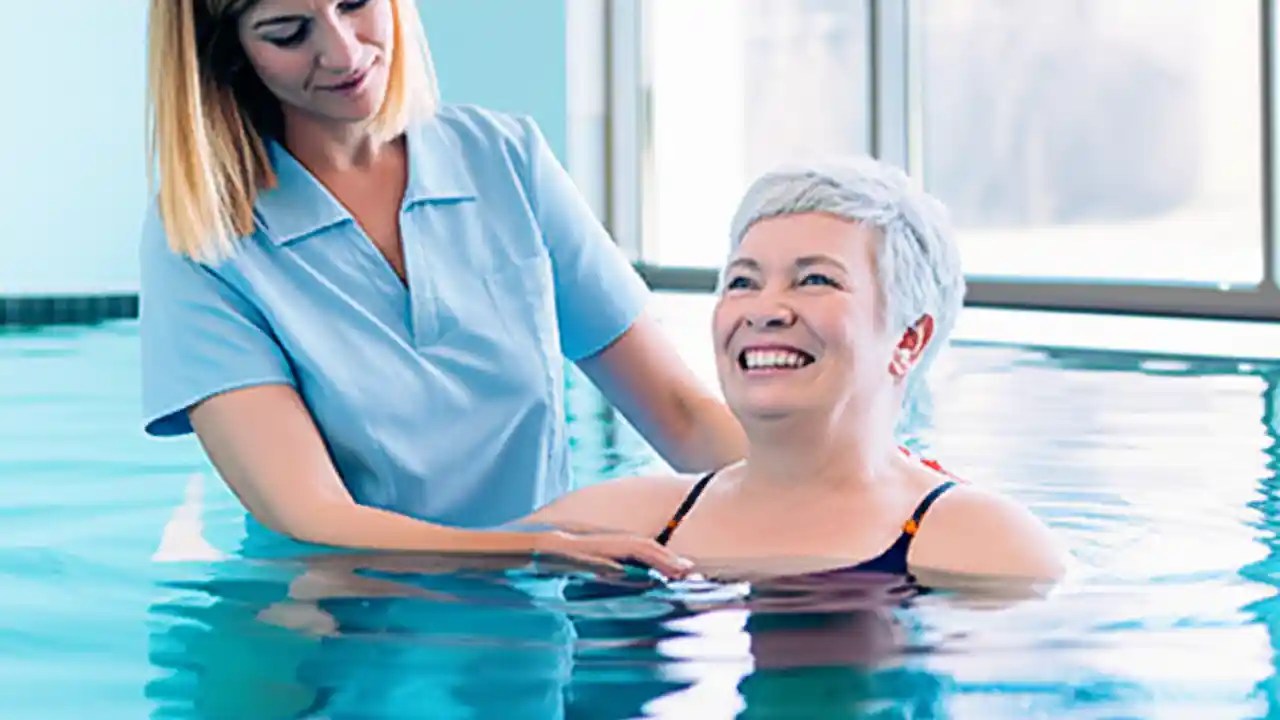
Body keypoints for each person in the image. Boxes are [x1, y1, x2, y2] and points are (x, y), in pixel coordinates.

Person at [138, 0, 746, 577]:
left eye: (354, 2)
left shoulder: (506, 159)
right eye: (288, 32)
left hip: (531, 608)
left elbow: (682, 415)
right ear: (229, 51)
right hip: (341, 615)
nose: (345, 53)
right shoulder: (203, 239)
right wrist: (537, 549)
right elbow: (311, 515)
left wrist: (818, 489)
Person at [521, 156, 1070, 585]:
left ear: (908, 339)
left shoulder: (984, 544)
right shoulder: (617, 520)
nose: (765, 309)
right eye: (743, 281)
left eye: (814, 281)